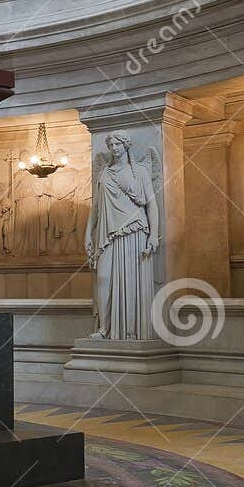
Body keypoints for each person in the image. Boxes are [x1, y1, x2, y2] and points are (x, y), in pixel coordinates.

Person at [85, 132, 158, 340]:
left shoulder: (140, 171)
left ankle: (129, 330)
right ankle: (104, 328)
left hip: (134, 229)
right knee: (103, 277)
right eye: (111, 144)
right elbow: (95, 207)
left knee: (129, 281)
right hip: (107, 233)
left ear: (126, 145)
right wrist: (88, 234)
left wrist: (154, 234)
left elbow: (151, 204)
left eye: (117, 144)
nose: (114, 148)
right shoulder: (105, 173)